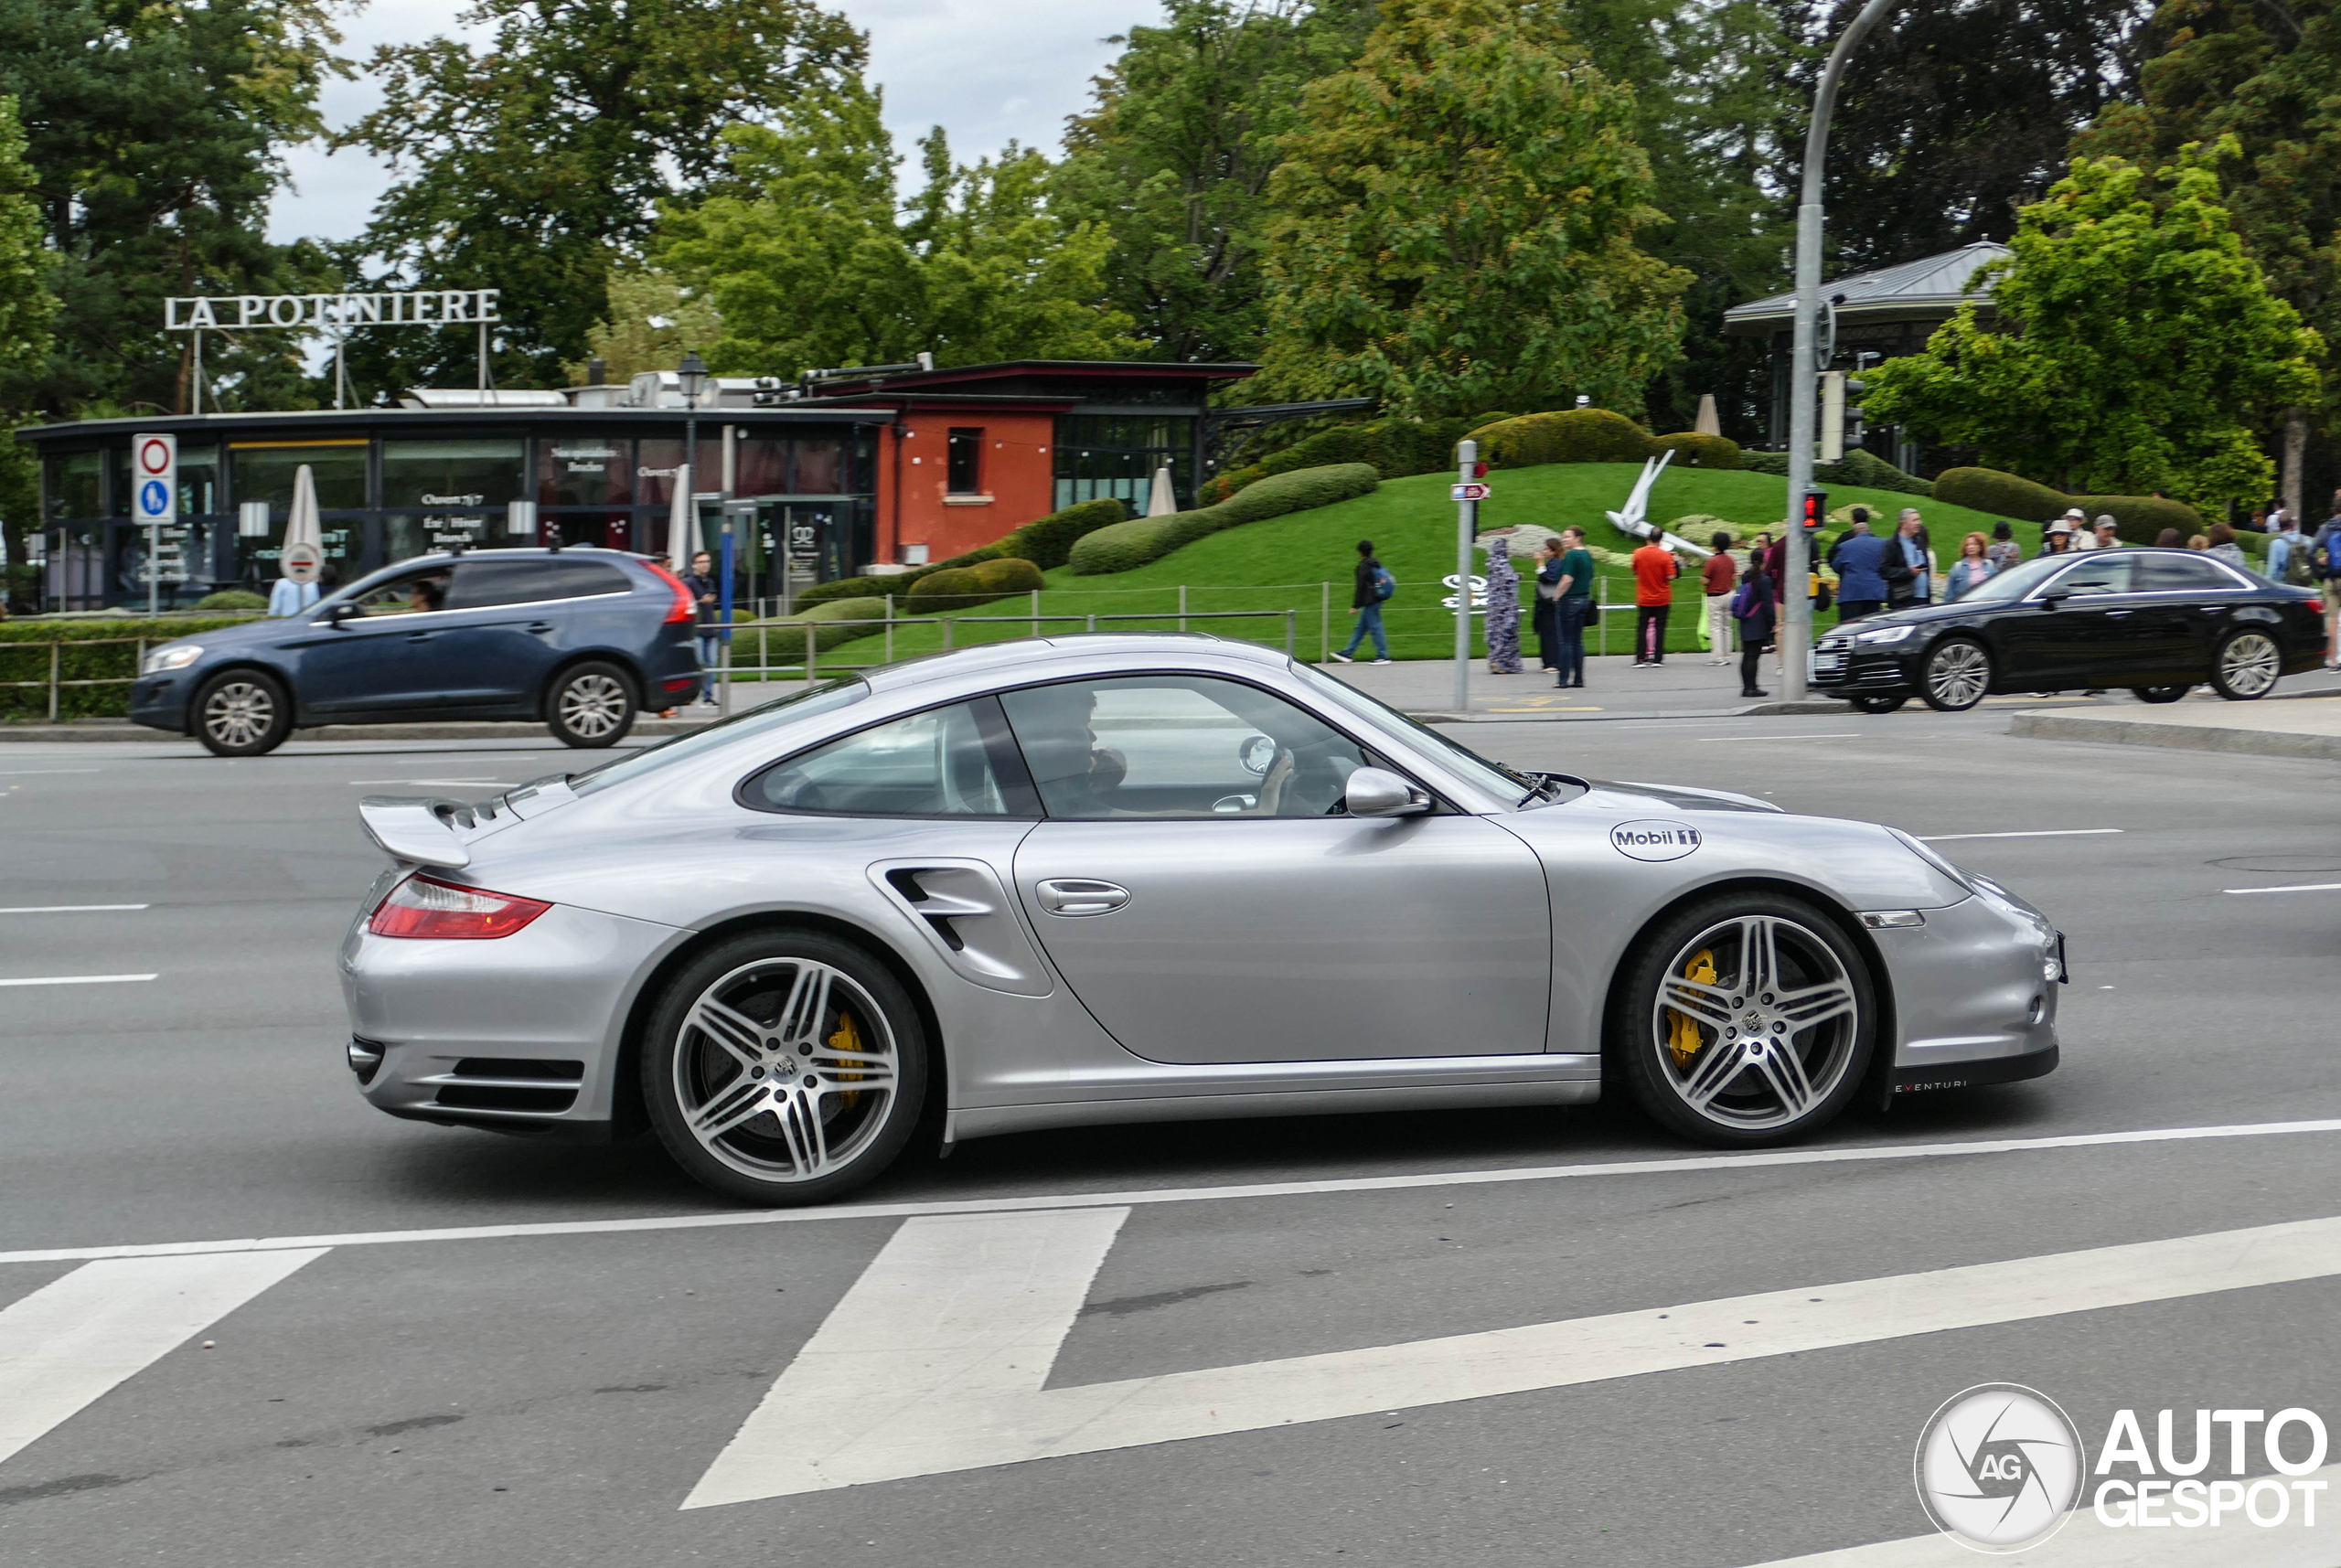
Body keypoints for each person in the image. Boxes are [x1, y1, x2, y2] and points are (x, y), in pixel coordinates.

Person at [1328, 539, 1393, 664]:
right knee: (1360, 627)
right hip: (1376, 598)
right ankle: (1348, 653)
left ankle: (1383, 655)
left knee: (1375, 627)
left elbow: (1360, 587)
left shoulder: (1363, 566)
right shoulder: (1375, 564)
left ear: (1360, 552)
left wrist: (1355, 606)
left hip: (1370, 601)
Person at [1551, 526, 1595, 688]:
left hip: (1569, 600)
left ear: (1578, 538)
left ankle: (1563, 679)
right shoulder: (1586, 554)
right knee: (1577, 641)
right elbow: (1590, 579)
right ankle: (1578, 678)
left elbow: (1567, 579)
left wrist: (1557, 596)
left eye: (1568, 537)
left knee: (1566, 641)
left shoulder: (1572, 555)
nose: (1564, 540)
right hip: (1584, 599)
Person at [1828, 509, 1888, 623]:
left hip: (1851, 593)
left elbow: (1835, 565)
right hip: (1874, 593)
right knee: (1870, 628)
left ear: (1854, 532)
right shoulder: (1881, 544)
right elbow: (1886, 565)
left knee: (1849, 628)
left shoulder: (1845, 545)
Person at [1630, 531, 1678, 666]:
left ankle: (1640, 658)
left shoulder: (1638, 553)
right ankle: (1658, 658)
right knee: (1660, 628)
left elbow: (1635, 570)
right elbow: (1671, 576)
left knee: (1642, 627)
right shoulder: (1665, 555)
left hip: (1644, 597)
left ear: (1647, 538)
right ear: (1660, 540)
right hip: (1662, 597)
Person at [1733, 551, 1776, 699]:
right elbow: (1768, 604)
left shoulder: (1746, 576)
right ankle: (1752, 688)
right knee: (1753, 656)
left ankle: (1747, 686)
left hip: (1746, 618)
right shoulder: (1764, 580)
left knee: (1747, 655)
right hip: (1758, 620)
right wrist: (1773, 623)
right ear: (1764, 561)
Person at [1483, 536, 1522, 674]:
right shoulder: (1501, 563)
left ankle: (1495, 660)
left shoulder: (1493, 562)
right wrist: (1516, 577)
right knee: (1505, 632)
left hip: (1495, 605)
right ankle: (1502, 662)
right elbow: (1507, 580)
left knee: (1496, 632)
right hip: (1504, 605)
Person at [682, 550, 721, 677]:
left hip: (710, 627)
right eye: (701, 562)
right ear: (694, 565)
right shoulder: (688, 582)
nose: (705, 565)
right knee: (700, 662)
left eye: (707, 561)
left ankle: (707, 694)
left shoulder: (710, 582)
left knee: (712, 663)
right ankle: (699, 691)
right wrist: (700, 601)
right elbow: (686, 603)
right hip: (697, 628)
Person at [1701, 529, 1737, 665]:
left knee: (1715, 627)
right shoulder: (1731, 560)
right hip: (1729, 594)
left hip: (1715, 596)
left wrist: (1702, 580)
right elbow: (1733, 576)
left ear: (1714, 545)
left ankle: (1718, 657)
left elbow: (1706, 580)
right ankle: (1727, 655)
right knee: (1727, 626)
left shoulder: (1712, 561)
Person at [1886, 509, 1933, 607]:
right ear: (1903, 524)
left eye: (1919, 520)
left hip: (1923, 598)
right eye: (1914, 520)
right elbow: (1884, 571)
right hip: (1903, 600)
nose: (1918, 523)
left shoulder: (1920, 542)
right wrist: (1908, 572)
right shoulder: (1892, 544)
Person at [2314, 504, 2341, 668]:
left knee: (2332, 620)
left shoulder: (2326, 529)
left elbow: (2311, 552)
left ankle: (2331, 659)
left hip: (2330, 579)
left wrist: (2320, 573)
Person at [1533, 539, 1564, 674]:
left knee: (1551, 634)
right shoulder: (1553, 563)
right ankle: (1548, 661)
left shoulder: (1556, 564)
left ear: (1553, 551)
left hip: (1551, 605)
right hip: (1546, 605)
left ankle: (1554, 662)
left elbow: (1547, 578)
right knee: (1546, 634)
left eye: (1546, 549)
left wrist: (1539, 563)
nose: (1544, 551)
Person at [1947, 532, 1995, 600]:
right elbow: (1950, 592)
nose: (1970, 547)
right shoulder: (1958, 566)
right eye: (1967, 545)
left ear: (1981, 547)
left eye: (1974, 544)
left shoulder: (1989, 564)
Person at [2265, 514, 2304, 582]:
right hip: (2305, 584)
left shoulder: (2276, 544)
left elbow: (2272, 572)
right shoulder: (2305, 540)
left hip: (2286, 585)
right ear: (2293, 524)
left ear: (2279, 526)